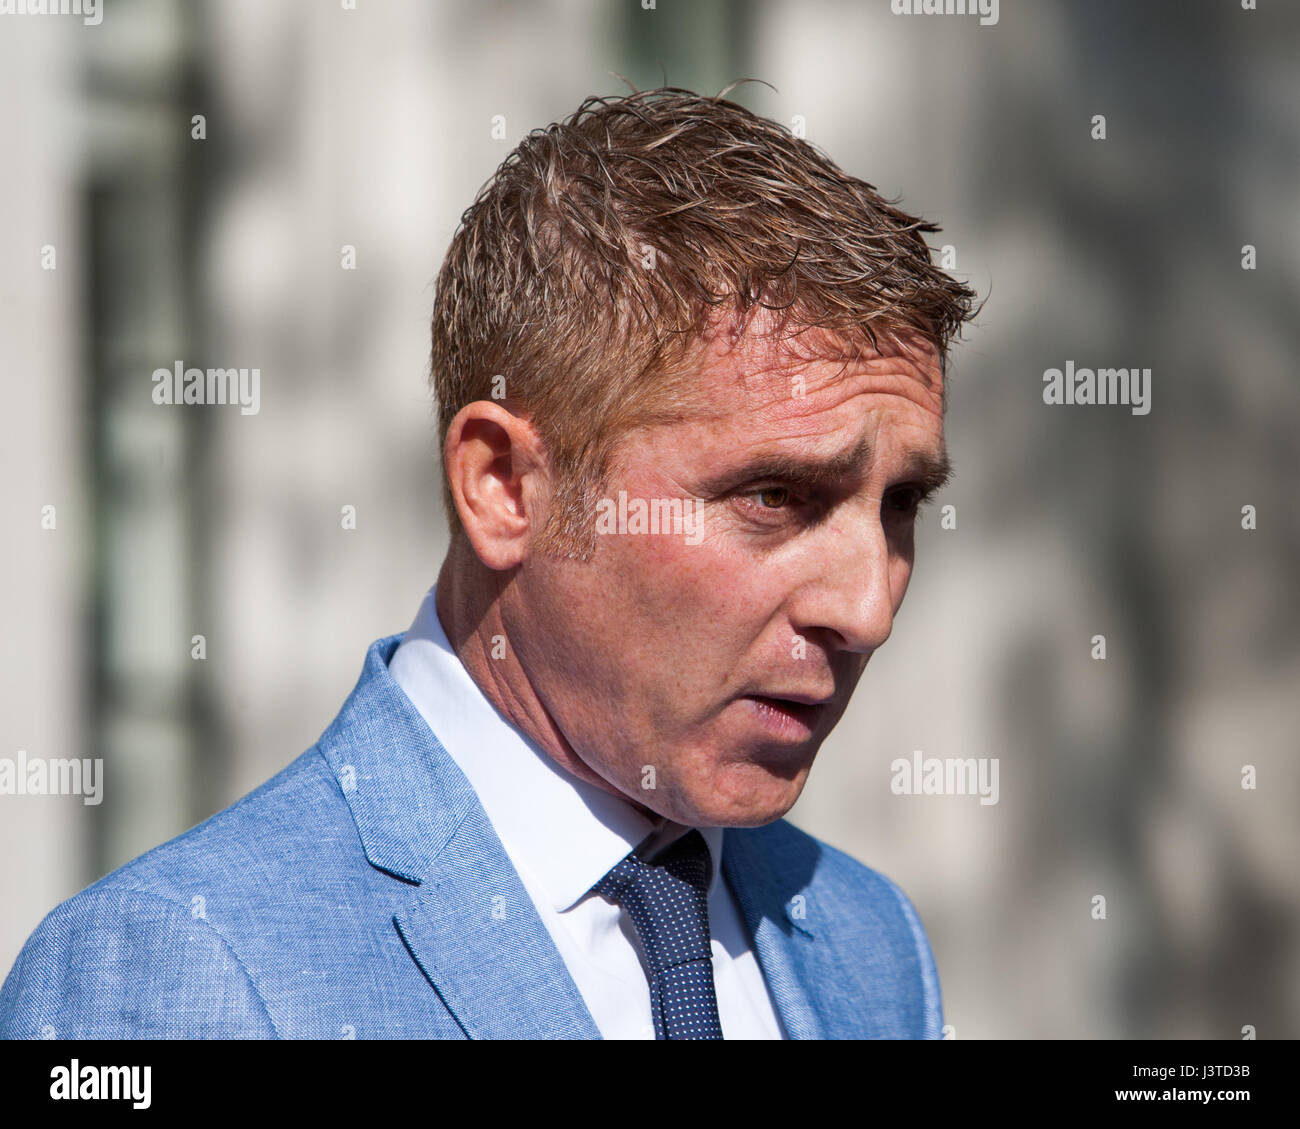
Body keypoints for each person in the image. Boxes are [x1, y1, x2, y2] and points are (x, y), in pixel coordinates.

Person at [0, 85, 977, 1040]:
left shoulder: (865, 939)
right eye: (775, 497)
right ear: (506, 487)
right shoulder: (181, 967)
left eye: (899, 505)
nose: (866, 606)